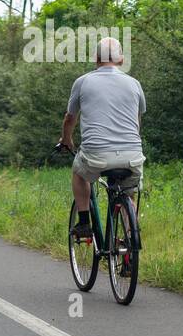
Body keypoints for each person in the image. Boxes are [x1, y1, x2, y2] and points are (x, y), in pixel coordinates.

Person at [59, 36, 146, 239]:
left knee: (79, 173)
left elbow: (70, 118)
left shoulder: (83, 82)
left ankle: (83, 223)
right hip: (132, 155)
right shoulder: (135, 84)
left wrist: (66, 140)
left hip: (96, 154)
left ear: (96, 59)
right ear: (121, 60)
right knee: (127, 195)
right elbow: (137, 122)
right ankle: (130, 244)